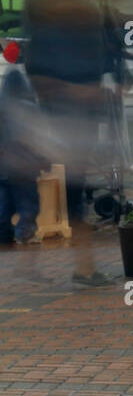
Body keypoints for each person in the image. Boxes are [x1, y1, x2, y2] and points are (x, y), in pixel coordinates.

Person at [23, 0, 130, 286]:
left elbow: (106, 29)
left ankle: (77, 264)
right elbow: (37, 47)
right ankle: (72, 262)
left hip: (87, 93)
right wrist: (60, 88)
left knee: (77, 176)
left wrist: (118, 69)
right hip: (62, 96)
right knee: (69, 177)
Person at [0, 43, 42, 248]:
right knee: (28, 205)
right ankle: (25, 236)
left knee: (4, 204)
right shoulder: (30, 108)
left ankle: (3, 234)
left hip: (3, 167)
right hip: (24, 167)